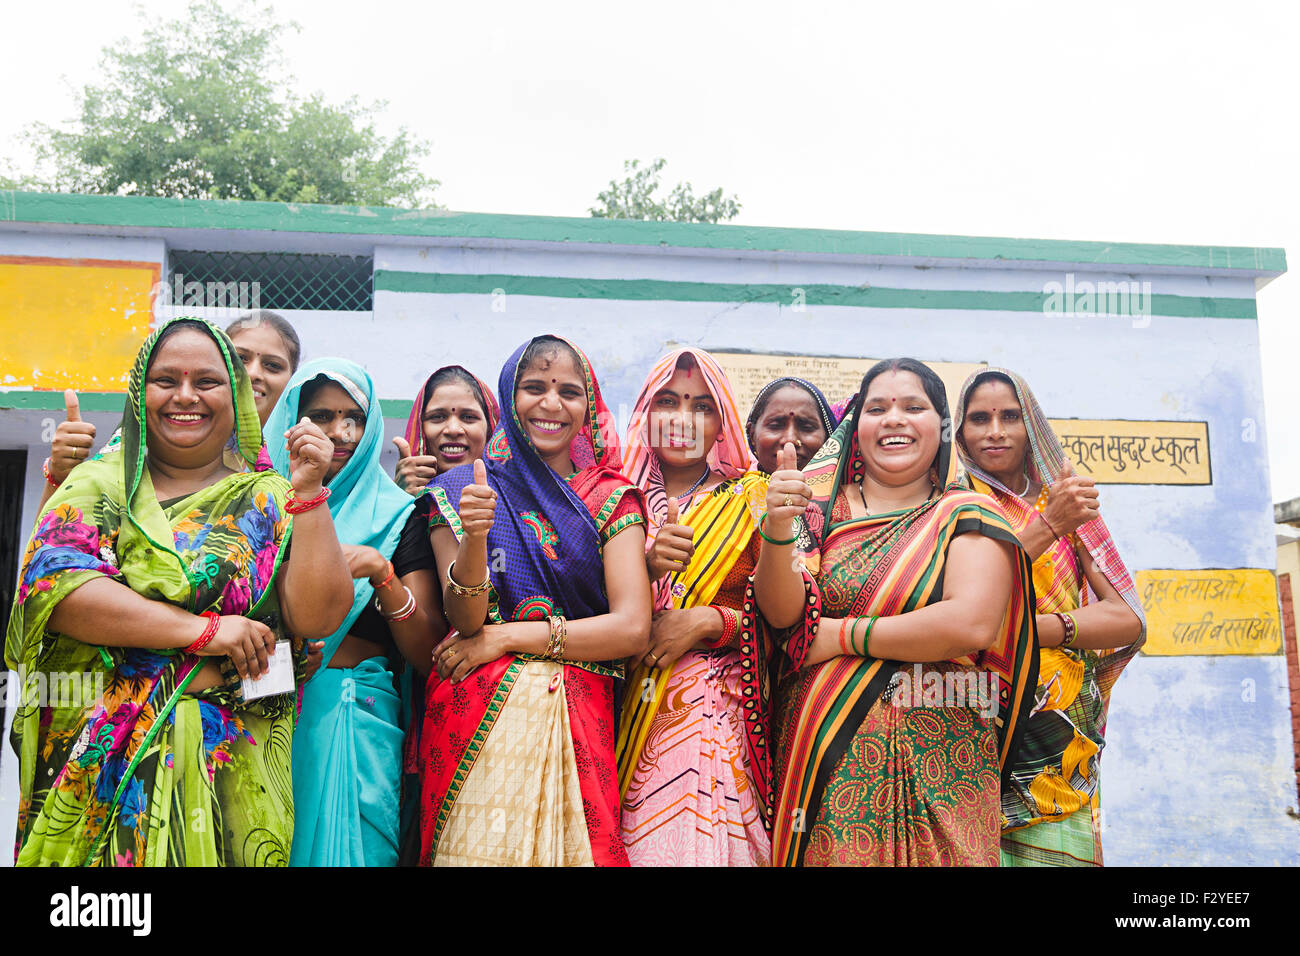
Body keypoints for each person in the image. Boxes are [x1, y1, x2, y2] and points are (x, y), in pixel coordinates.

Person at [5, 317, 352, 866]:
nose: (185, 395)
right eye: (167, 379)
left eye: (207, 381)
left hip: (229, 779)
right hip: (101, 773)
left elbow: (315, 618)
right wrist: (207, 633)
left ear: (234, 395)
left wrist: (310, 495)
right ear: (141, 392)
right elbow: (59, 591)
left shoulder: (268, 497)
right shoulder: (101, 483)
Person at [754, 357, 1038, 867]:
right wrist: (777, 528)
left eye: (914, 407)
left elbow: (968, 624)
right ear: (856, 426)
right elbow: (782, 617)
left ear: (942, 426)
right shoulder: (816, 510)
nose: (894, 419)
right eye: (877, 408)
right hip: (826, 764)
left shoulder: (970, 514)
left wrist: (839, 635)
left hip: (946, 768)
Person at [418, 334, 651, 866]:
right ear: (509, 395)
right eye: (534, 387)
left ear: (588, 406)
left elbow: (632, 628)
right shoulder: (460, 489)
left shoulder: (612, 496)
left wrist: (508, 637)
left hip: (576, 717)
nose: (551, 404)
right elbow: (465, 617)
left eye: (569, 391)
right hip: (474, 716)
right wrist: (475, 536)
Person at [955, 367, 1145, 866]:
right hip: (973, 717)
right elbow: (958, 602)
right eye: (980, 418)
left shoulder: (1065, 498)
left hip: (1059, 730)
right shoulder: (951, 504)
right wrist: (1049, 526)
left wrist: (1039, 629)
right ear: (960, 433)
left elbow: (1127, 619)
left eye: (1010, 416)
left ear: (1031, 425)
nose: (995, 430)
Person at [265, 358, 445, 867]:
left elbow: (427, 652)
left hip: (352, 718)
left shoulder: (399, 514)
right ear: (291, 421)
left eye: (354, 418)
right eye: (321, 415)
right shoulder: (257, 504)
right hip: (258, 710)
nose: (339, 433)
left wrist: (382, 574)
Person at [615, 347, 772, 866]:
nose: (684, 419)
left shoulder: (754, 499)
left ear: (723, 419)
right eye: (670, 402)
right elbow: (567, 602)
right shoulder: (605, 497)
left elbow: (794, 619)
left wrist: (709, 621)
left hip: (713, 717)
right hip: (612, 710)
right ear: (645, 412)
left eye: (703, 406)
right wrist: (647, 569)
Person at [37, 311, 303, 509]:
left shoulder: (305, 458)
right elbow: (50, 557)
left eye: (272, 366)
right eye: (240, 359)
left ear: (292, 379)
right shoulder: (142, 449)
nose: (253, 373)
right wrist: (60, 475)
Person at [393, 365, 501, 496]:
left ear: (490, 429)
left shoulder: (515, 501)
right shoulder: (391, 504)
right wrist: (400, 499)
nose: (453, 430)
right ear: (420, 429)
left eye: (468, 417)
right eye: (437, 417)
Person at [745, 376, 838, 473]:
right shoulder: (731, 487)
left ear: (828, 437)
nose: (790, 440)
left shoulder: (850, 487)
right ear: (752, 436)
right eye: (775, 426)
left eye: (806, 428)